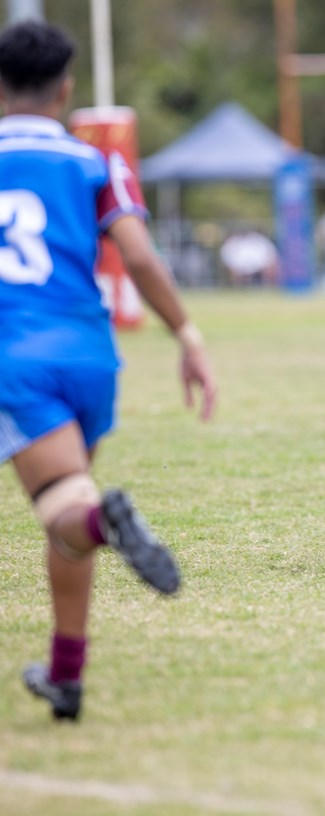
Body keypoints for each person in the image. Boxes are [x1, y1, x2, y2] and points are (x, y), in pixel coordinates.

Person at [0, 21, 217, 719]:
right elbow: (142, 256)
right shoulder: (93, 161)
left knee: (71, 507)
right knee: (66, 506)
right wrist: (185, 332)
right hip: (90, 355)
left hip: (14, 354)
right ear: (65, 90)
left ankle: (105, 520)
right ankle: (66, 676)